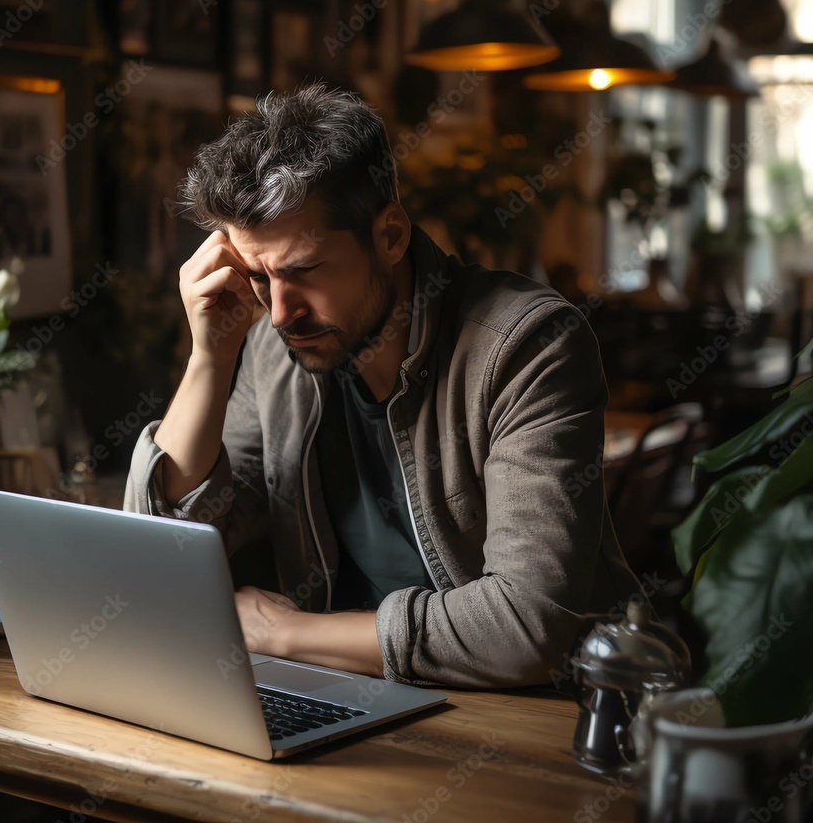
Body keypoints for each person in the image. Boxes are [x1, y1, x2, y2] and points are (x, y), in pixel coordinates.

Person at [124, 83, 642, 689]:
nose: (281, 311)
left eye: (303, 270)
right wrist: (210, 357)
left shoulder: (527, 345)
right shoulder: (272, 348)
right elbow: (159, 554)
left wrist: (285, 634)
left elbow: (527, 626)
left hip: (537, 714)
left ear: (391, 236)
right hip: (357, 695)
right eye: (259, 276)